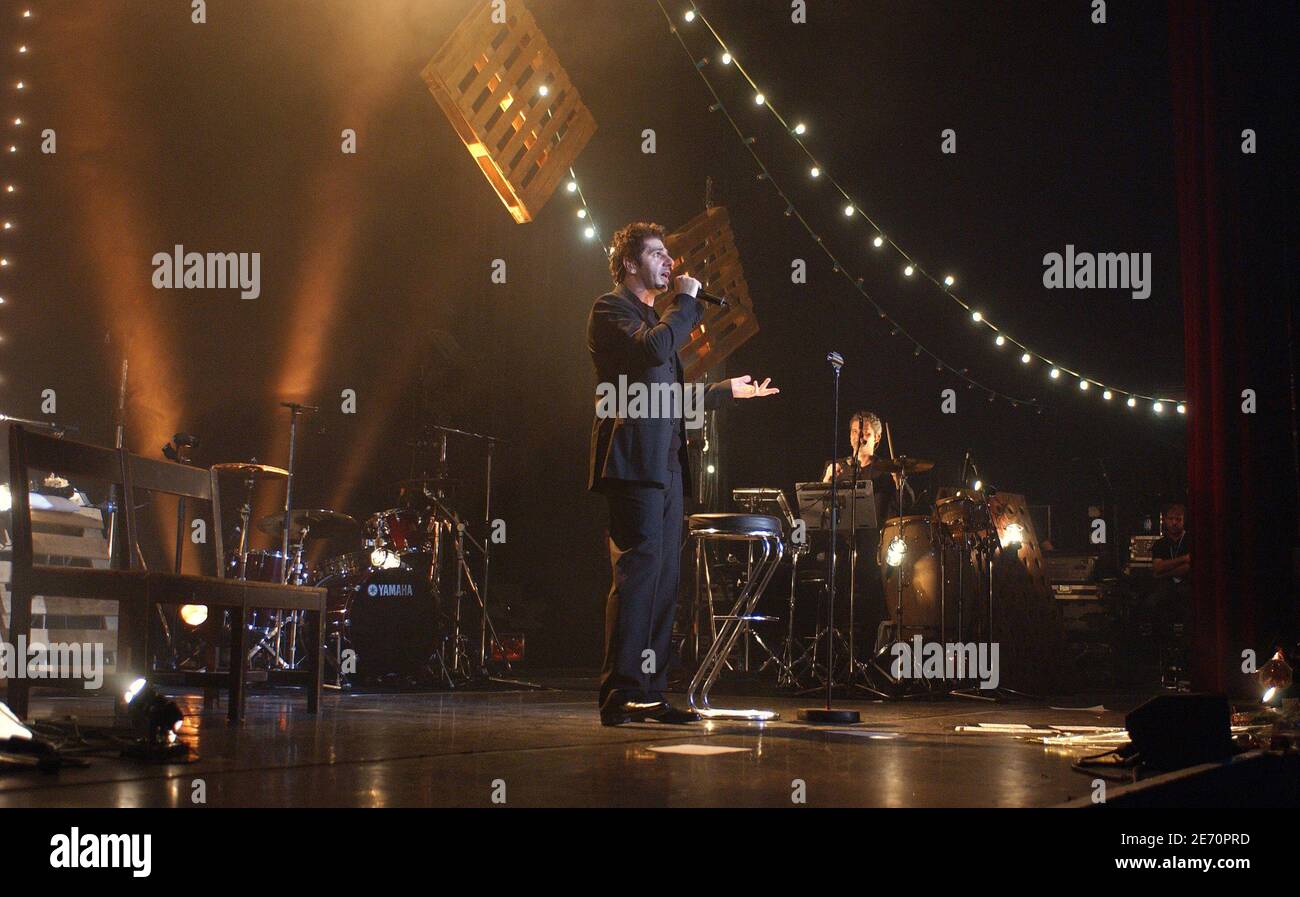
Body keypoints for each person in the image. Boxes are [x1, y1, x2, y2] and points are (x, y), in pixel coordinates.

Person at [588, 221, 779, 726]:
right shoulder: (611, 310)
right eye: (656, 254)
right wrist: (687, 302)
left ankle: (650, 690)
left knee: (665, 581)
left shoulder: (656, 320)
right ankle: (621, 692)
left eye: (666, 255)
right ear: (629, 264)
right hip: (633, 462)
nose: (668, 262)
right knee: (638, 576)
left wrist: (724, 392)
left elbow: (667, 396)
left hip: (667, 464)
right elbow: (651, 353)